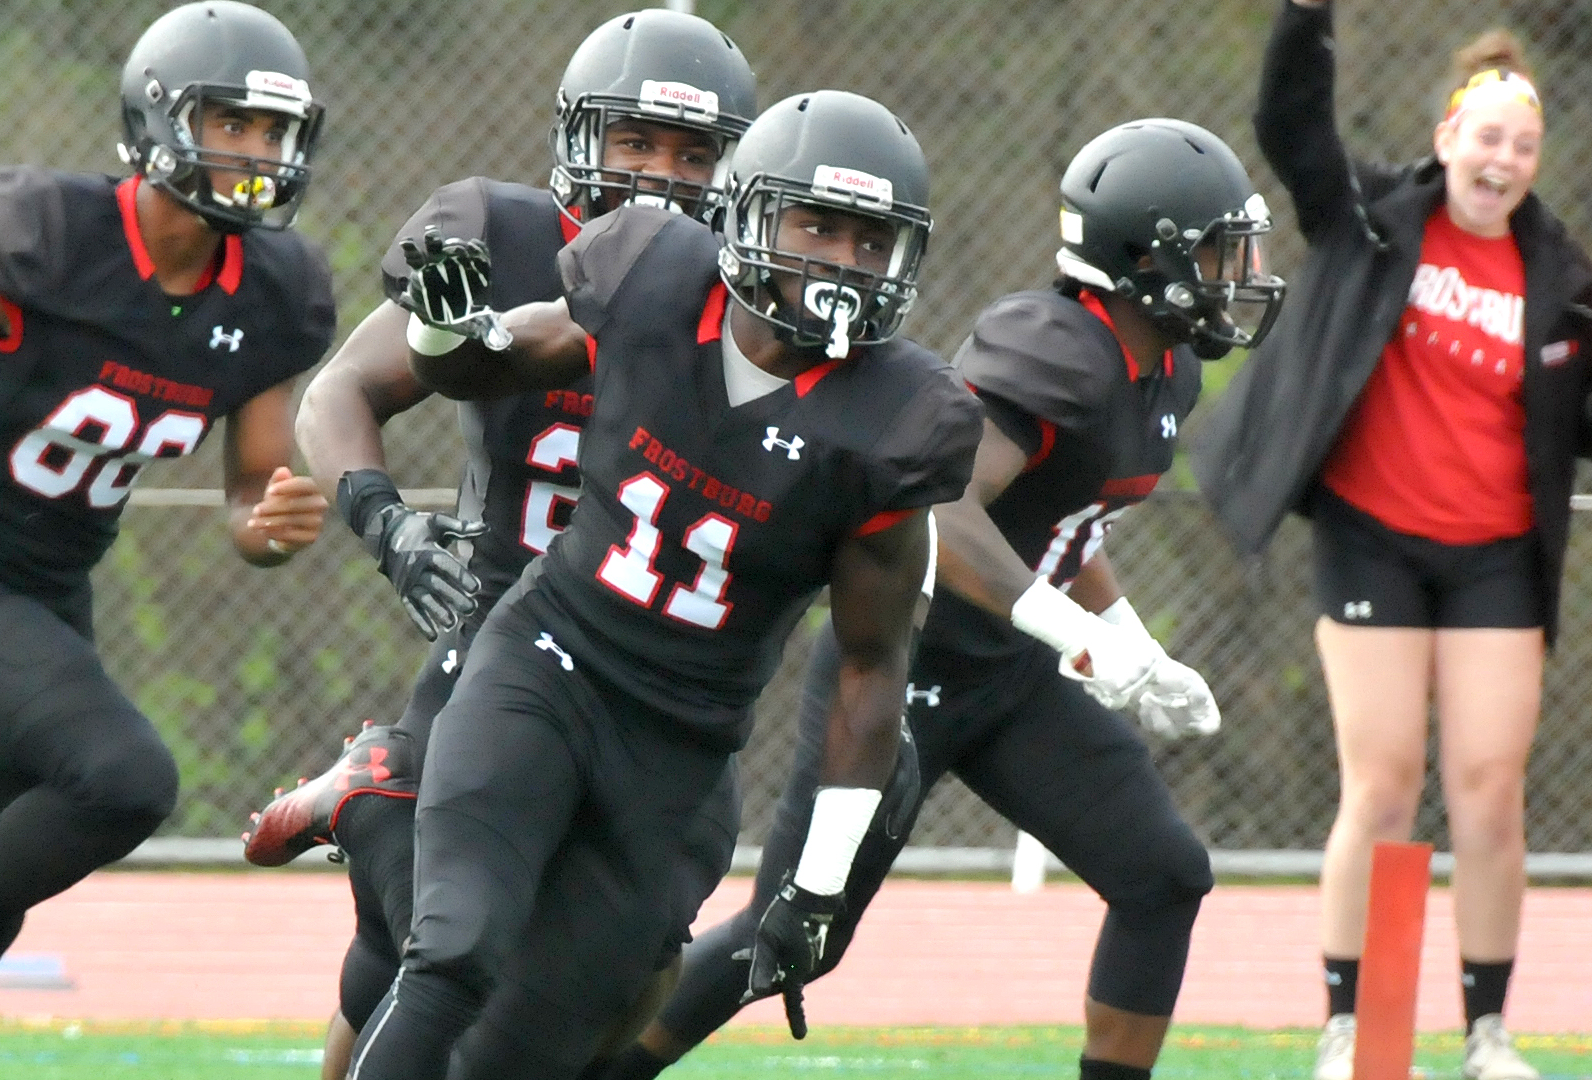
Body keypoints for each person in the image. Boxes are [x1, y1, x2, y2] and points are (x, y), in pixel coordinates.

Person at [602, 117, 1285, 1080]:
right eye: (1217, 251)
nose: (1236, 273)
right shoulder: (1057, 348)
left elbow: (1069, 517)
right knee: (795, 932)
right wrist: (1080, 637)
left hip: (1005, 674)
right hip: (900, 661)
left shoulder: (1166, 363)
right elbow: (939, 508)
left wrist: (1129, 633)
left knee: (1163, 872)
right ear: (1145, 255)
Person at [341, 89, 983, 1080]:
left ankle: (366, 810)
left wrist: (816, 887)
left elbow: (869, 665)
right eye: (816, 224)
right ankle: (369, 808)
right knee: (452, 954)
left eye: (868, 240)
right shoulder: (651, 275)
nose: (840, 264)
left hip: (680, 752)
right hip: (546, 666)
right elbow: (482, 367)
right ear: (745, 213)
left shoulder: (899, 419)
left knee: (518, 1059)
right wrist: (438, 331)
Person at [0, 5, 335, 1079]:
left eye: (274, 132)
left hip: (45, 594)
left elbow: (248, 502)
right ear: (160, 118)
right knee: (125, 779)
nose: (257, 154)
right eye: (232, 123)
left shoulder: (273, 294)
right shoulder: (48, 236)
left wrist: (272, 524)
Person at [238, 11, 757, 1079]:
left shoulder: (744, 290)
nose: (662, 176)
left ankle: (370, 790)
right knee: (432, 945)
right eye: (636, 142)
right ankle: (378, 787)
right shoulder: (514, 237)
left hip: (659, 656)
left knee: (635, 953)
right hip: (506, 633)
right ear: (579, 139)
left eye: (693, 154)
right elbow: (343, 388)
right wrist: (386, 522)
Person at [1191, 5, 1592, 1079]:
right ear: (1448, 137)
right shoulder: (1372, 218)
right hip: (1372, 541)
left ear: (1535, 162)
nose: (1501, 158)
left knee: (1488, 788)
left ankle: (1487, 1034)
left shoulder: (1561, 281)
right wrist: (1305, 20)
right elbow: (1290, 128)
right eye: (1486, 135)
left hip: (1497, 556)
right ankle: (1357, 1029)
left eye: (1523, 143)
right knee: (1381, 783)